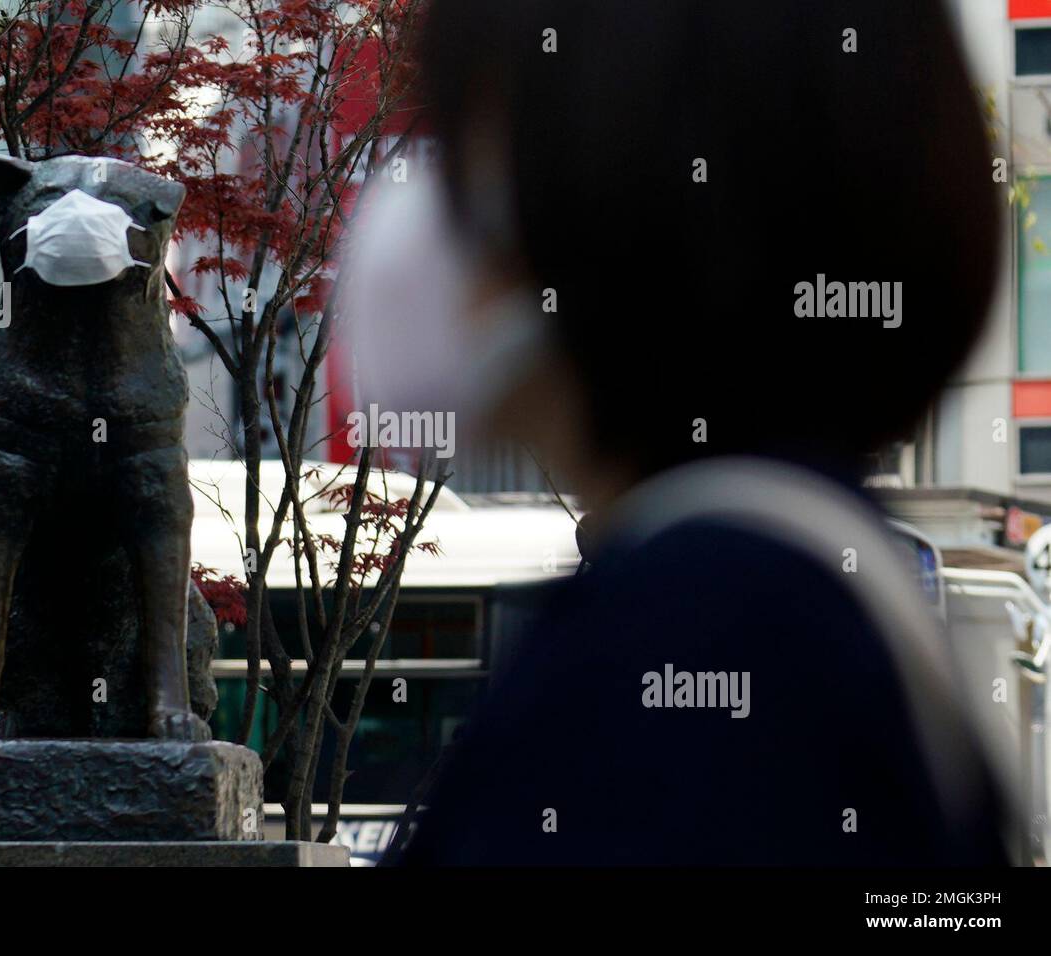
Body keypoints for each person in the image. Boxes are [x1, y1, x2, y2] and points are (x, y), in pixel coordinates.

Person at [348, 0, 1013, 864]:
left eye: (458, 146)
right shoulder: (808, 595)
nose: (421, 220)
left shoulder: (682, 646)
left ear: (610, 191)